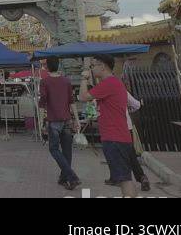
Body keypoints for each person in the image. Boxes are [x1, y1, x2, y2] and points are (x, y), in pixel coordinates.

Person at [78, 55, 138, 197]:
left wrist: (83, 78)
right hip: (117, 137)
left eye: (93, 65)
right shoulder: (112, 83)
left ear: (102, 66)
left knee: (125, 180)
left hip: (115, 138)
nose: (92, 69)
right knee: (125, 178)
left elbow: (83, 96)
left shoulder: (109, 83)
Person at [38, 58, 81, 190]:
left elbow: (43, 101)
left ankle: (71, 176)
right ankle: (64, 178)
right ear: (58, 66)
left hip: (54, 120)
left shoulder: (44, 82)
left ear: (47, 67)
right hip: (67, 119)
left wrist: (40, 121)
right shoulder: (66, 81)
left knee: (54, 149)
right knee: (67, 151)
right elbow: (71, 101)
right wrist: (77, 119)